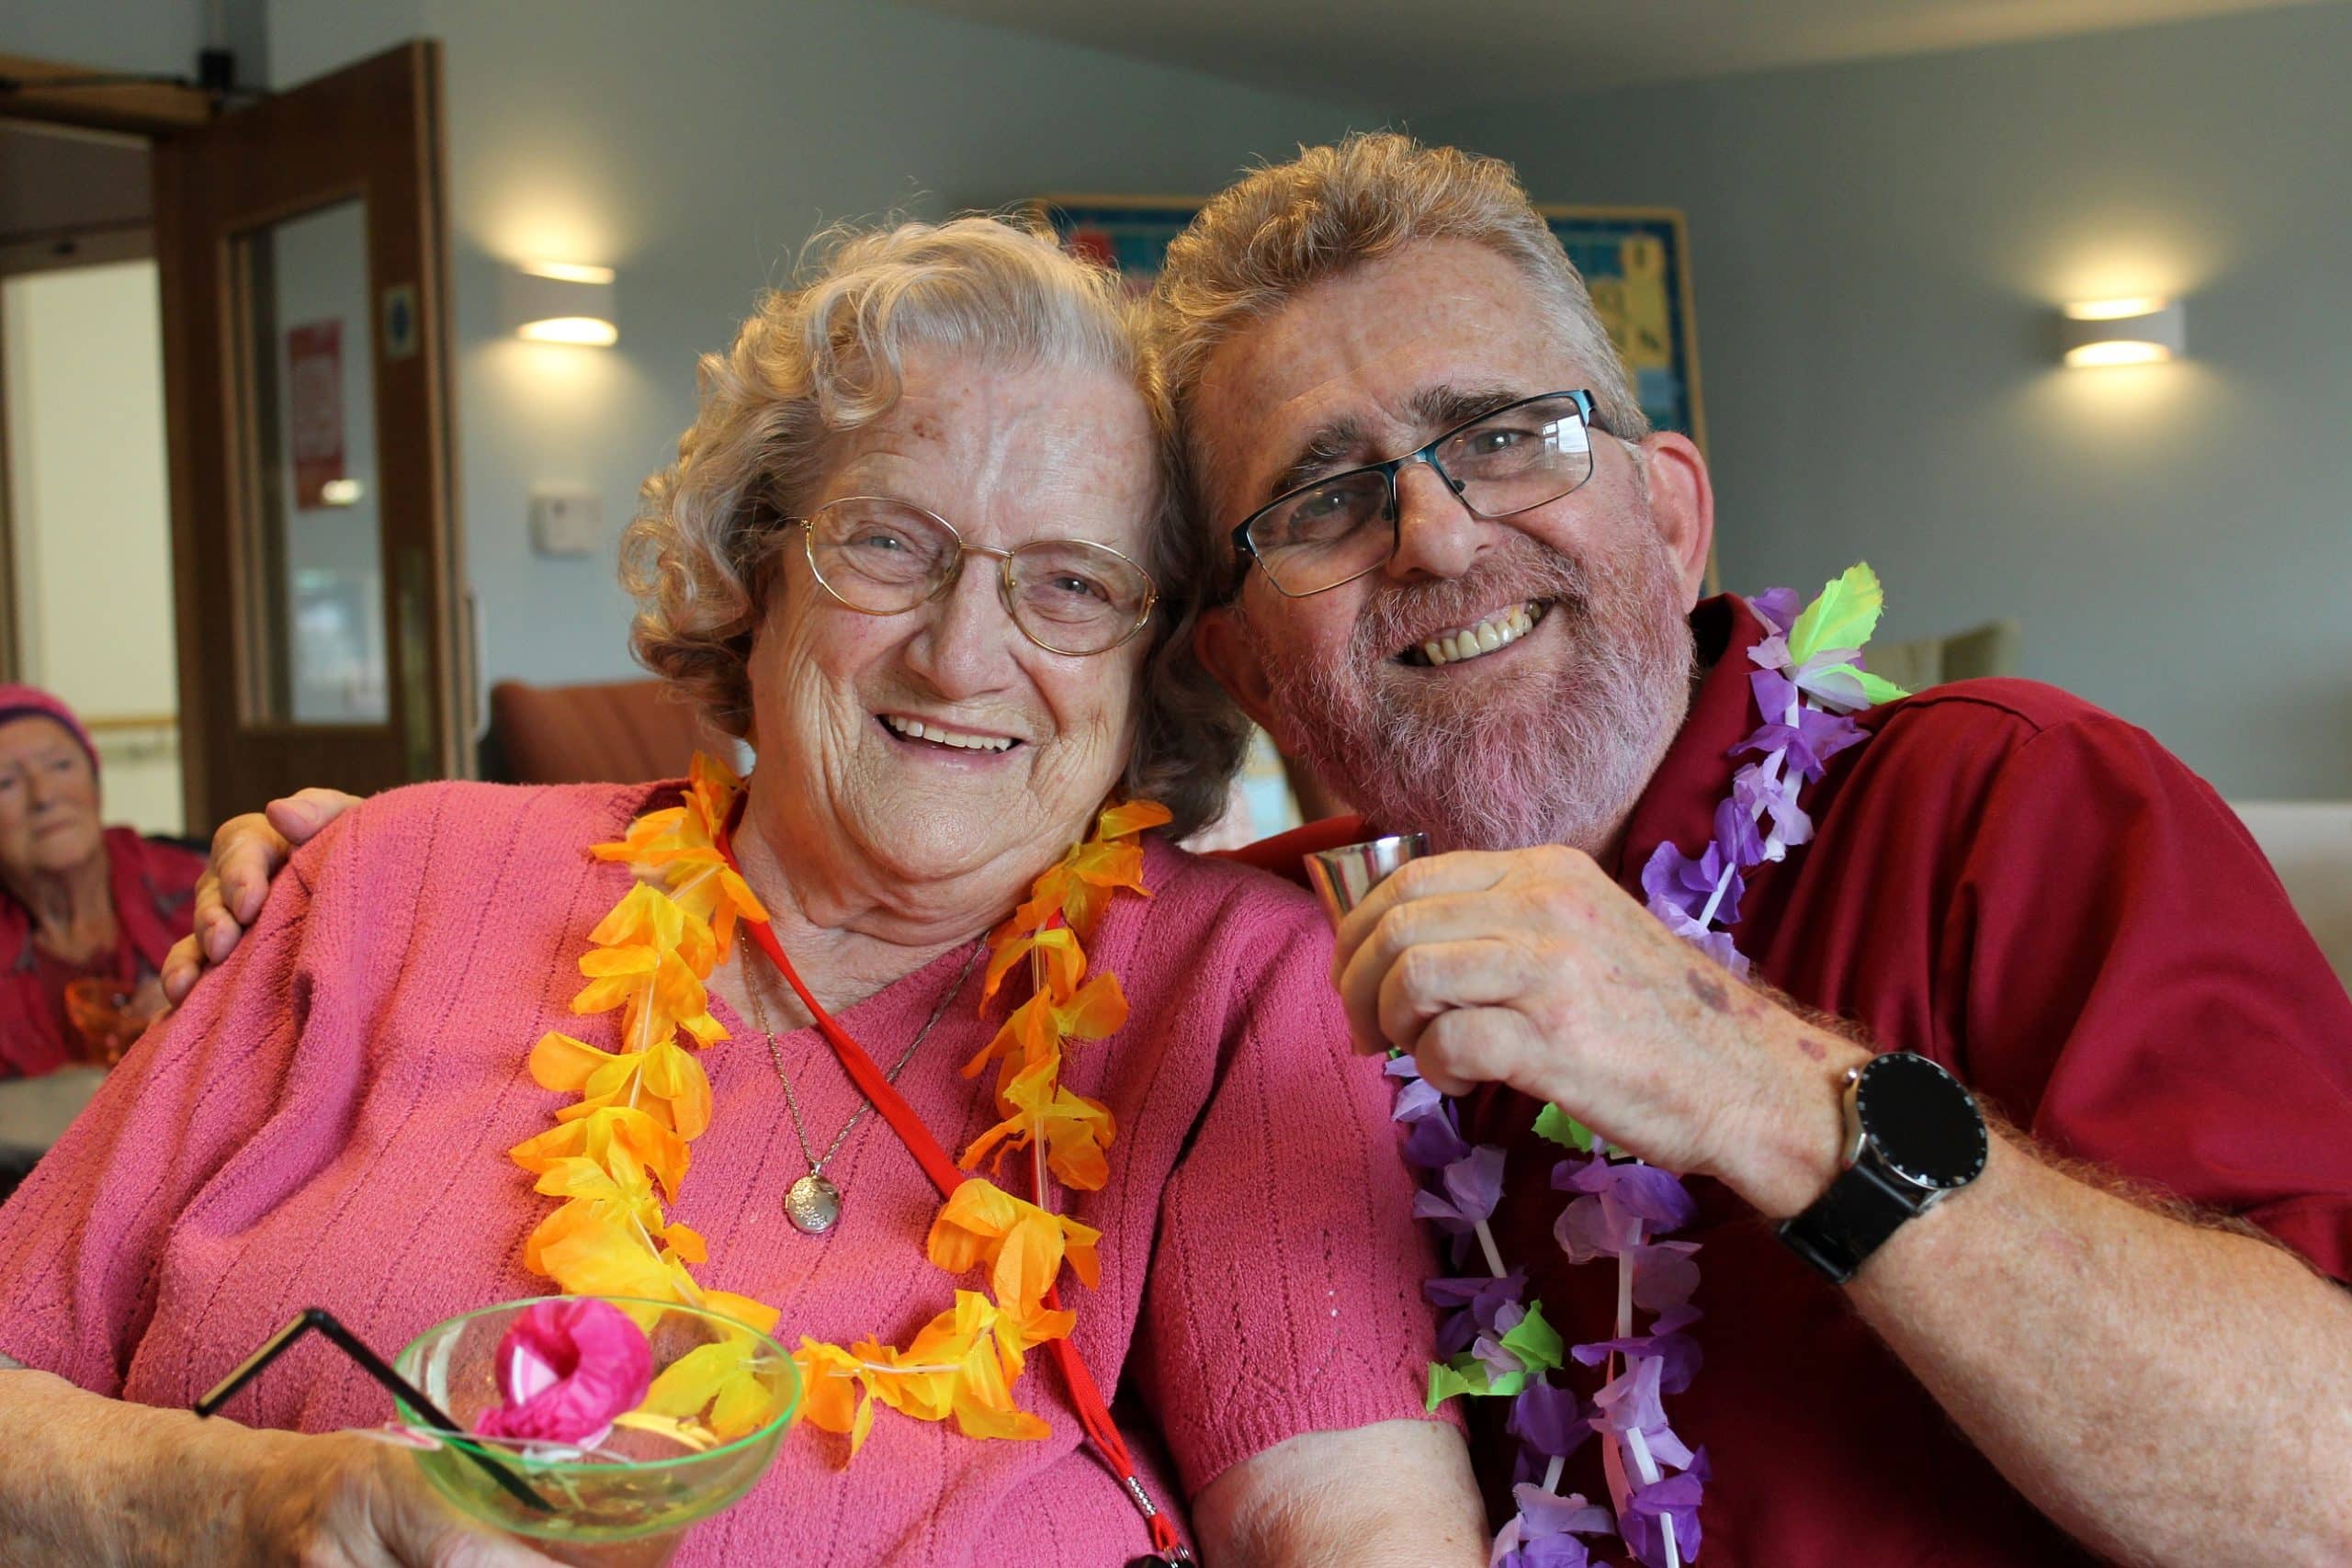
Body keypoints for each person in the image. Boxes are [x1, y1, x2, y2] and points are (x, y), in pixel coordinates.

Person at [165, 140, 2352, 1566]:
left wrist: (1750, 1079)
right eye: (1317, 496)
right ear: (1236, 657)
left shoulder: (2001, 801)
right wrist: (391, 884)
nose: (1426, 522)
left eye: (1509, 433)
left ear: (1670, 508)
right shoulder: (1244, 950)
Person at [0, 217, 1487, 1566]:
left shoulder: (1229, 988)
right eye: (889, 543)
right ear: (753, 577)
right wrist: (255, 1507)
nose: (962, 653)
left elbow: (1356, 1530)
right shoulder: (381, 882)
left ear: (1152, 659)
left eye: (1073, 583)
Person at [0, 685, 201, 1073]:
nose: (43, 797)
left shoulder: (202, 886)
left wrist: (204, 1007)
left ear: (95, 783)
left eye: (60, 765)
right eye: (5, 783)